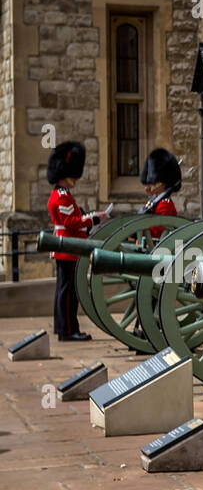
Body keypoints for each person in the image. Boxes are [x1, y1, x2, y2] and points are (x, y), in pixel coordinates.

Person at [46, 141, 108, 341]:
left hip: (68, 247)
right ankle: (68, 330)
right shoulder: (62, 197)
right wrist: (95, 218)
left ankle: (66, 328)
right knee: (68, 292)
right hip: (69, 248)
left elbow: (74, 221)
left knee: (66, 291)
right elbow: (71, 223)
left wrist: (86, 220)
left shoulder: (61, 195)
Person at [140, 148, 181, 240]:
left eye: (153, 183)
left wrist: (135, 231)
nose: (148, 187)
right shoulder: (156, 201)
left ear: (163, 183)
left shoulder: (165, 204)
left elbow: (158, 229)